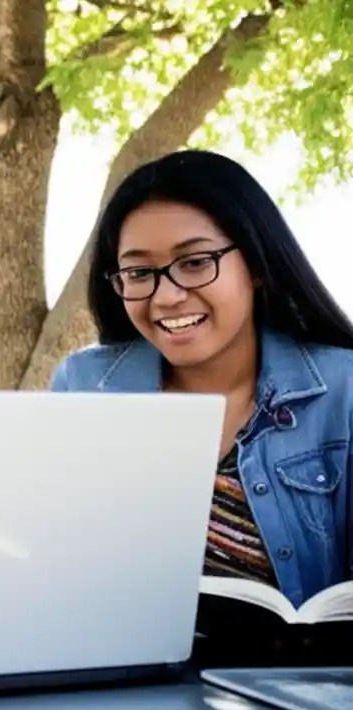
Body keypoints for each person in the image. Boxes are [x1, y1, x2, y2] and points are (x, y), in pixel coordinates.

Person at [51, 149, 352, 617]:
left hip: (298, 682)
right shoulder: (83, 387)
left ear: (255, 263)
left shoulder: (344, 390)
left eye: (194, 262)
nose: (167, 296)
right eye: (140, 272)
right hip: (127, 679)